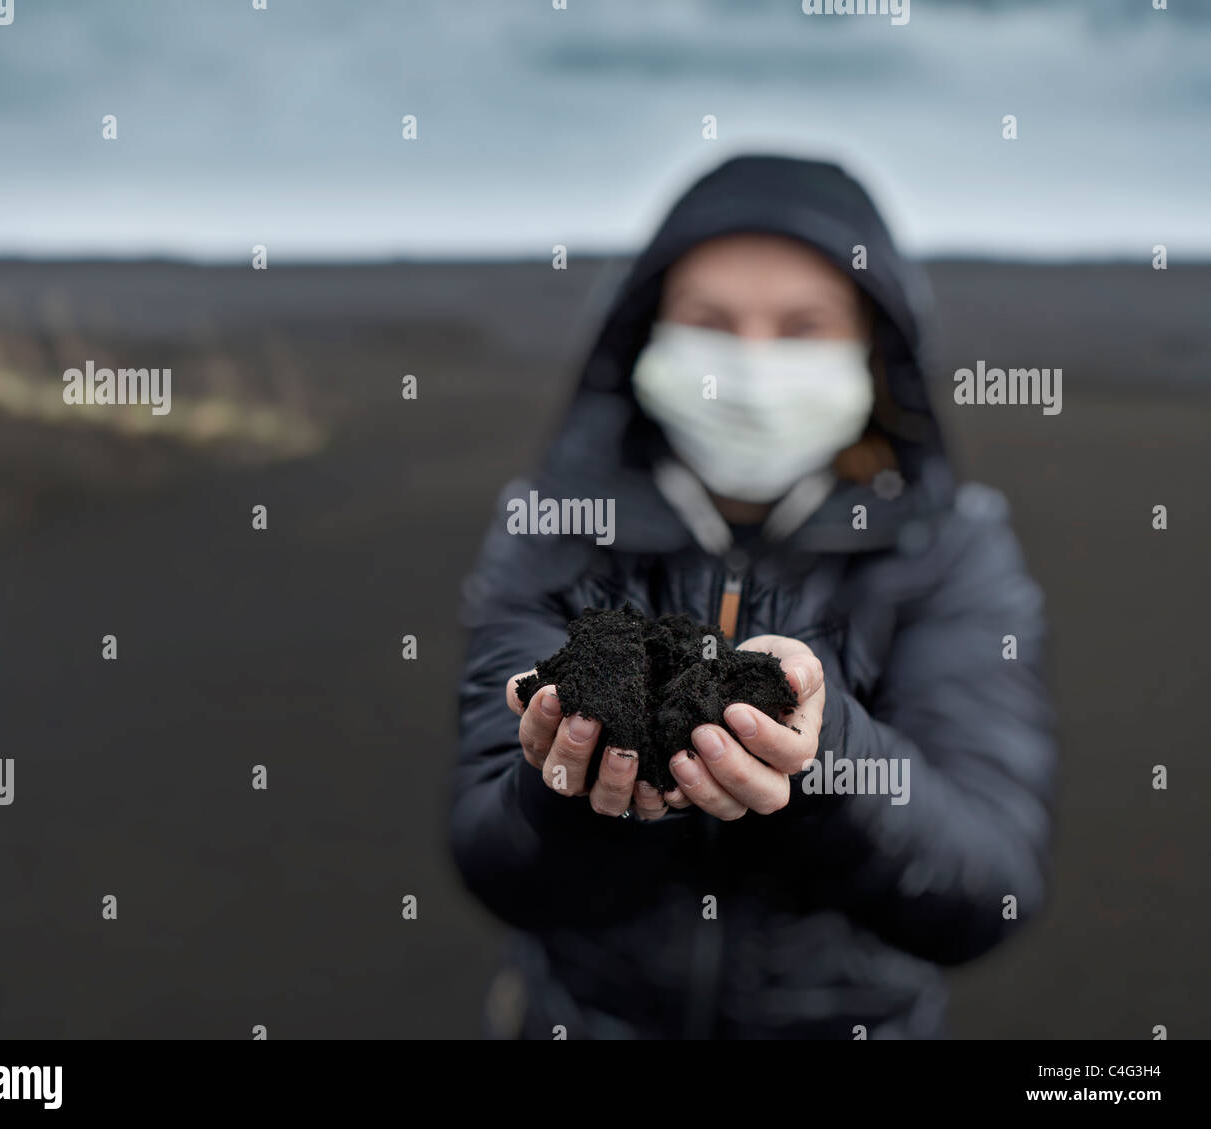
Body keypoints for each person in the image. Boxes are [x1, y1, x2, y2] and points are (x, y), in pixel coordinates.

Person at [448, 154, 1056, 1039]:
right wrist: (569, 794)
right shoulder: (553, 524)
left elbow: (988, 890)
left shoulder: (948, 545)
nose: (752, 363)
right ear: (645, 330)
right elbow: (494, 859)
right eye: (711, 321)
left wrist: (825, 759)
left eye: (804, 326)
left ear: (874, 352)